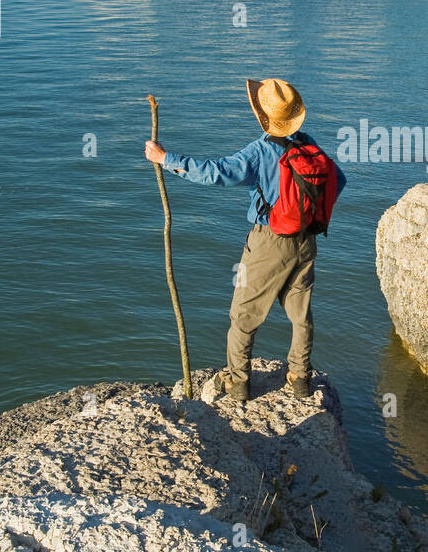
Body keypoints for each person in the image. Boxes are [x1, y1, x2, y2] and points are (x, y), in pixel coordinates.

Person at [144, 79, 346, 402]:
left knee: (243, 314)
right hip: (307, 241)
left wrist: (166, 159)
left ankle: (237, 382)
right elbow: (340, 180)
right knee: (300, 313)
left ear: (263, 117)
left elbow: (216, 172)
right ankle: (300, 378)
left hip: (270, 242)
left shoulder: (261, 152)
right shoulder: (309, 146)